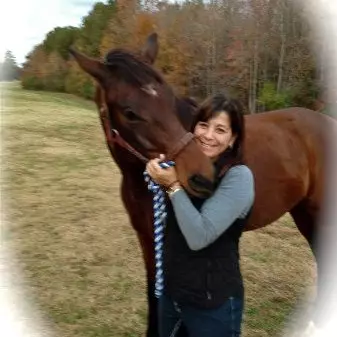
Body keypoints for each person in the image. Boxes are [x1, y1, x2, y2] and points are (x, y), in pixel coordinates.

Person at [145, 93, 255, 337]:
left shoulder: (238, 177)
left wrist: (172, 186)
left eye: (220, 129)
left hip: (212, 304)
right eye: (203, 125)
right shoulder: (182, 164)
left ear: (233, 138)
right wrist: (157, 174)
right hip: (172, 294)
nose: (208, 135)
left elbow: (199, 235)